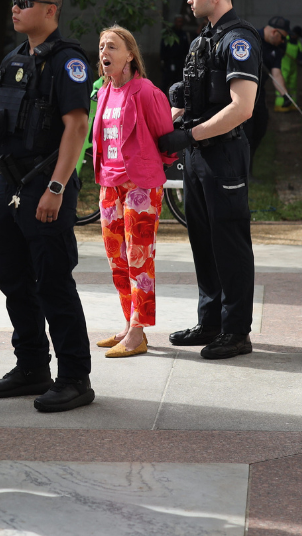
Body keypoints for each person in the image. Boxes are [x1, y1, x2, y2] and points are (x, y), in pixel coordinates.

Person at [0, 0, 95, 412]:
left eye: (25, 2)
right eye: (14, 1)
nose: (15, 8)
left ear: (50, 10)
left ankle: (75, 377)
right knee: (13, 279)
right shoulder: (13, 60)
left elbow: (76, 127)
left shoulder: (68, 62)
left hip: (45, 184)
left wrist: (58, 188)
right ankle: (31, 367)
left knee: (53, 281)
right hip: (6, 182)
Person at [159, 0, 262, 360]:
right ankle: (211, 322)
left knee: (230, 242)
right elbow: (191, 99)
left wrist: (190, 134)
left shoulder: (238, 39)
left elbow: (243, 107)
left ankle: (236, 331)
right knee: (202, 239)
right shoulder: (205, 38)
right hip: (198, 154)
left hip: (223, 155)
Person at [92, 26, 175, 357]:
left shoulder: (146, 92)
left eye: (112, 46)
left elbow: (166, 140)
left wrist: (151, 168)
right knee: (118, 259)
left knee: (140, 259)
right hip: (108, 185)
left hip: (141, 186)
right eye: (101, 47)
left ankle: (138, 333)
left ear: (130, 54)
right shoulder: (103, 92)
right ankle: (129, 324)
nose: (104, 52)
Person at [245, 16, 290, 168]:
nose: (283, 41)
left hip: (259, 94)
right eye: (283, 37)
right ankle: (243, 172)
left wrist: (285, 95)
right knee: (246, 133)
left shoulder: (276, 50)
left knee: (260, 128)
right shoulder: (250, 38)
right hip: (242, 93)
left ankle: (249, 167)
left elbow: (276, 74)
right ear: (275, 32)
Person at [275, 25, 302, 112]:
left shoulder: (298, 43)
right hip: (284, 66)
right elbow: (277, 47)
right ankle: (280, 104)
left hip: (293, 67)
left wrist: (301, 61)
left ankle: (292, 104)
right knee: (282, 83)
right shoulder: (284, 39)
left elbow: (300, 54)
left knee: (292, 86)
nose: (296, 37)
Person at [160, 15, 191, 95]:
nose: (180, 23)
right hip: (169, 62)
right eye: (178, 21)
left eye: (181, 22)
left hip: (180, 63)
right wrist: (163, 60)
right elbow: (163, 48)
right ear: (175, 22)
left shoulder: (184, 34)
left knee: (178, 83)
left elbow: (186, 49)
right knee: (165, 83)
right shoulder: (169, 34)